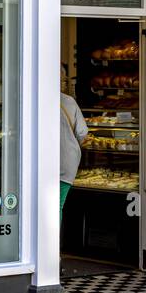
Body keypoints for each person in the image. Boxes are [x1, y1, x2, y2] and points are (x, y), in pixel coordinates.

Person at [59, 64, 88, 226]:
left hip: (44, 164)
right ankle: (52, 247)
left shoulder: (34, 100)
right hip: (65, 163)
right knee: (57, 204)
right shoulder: (68, 102)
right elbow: (83, 134)